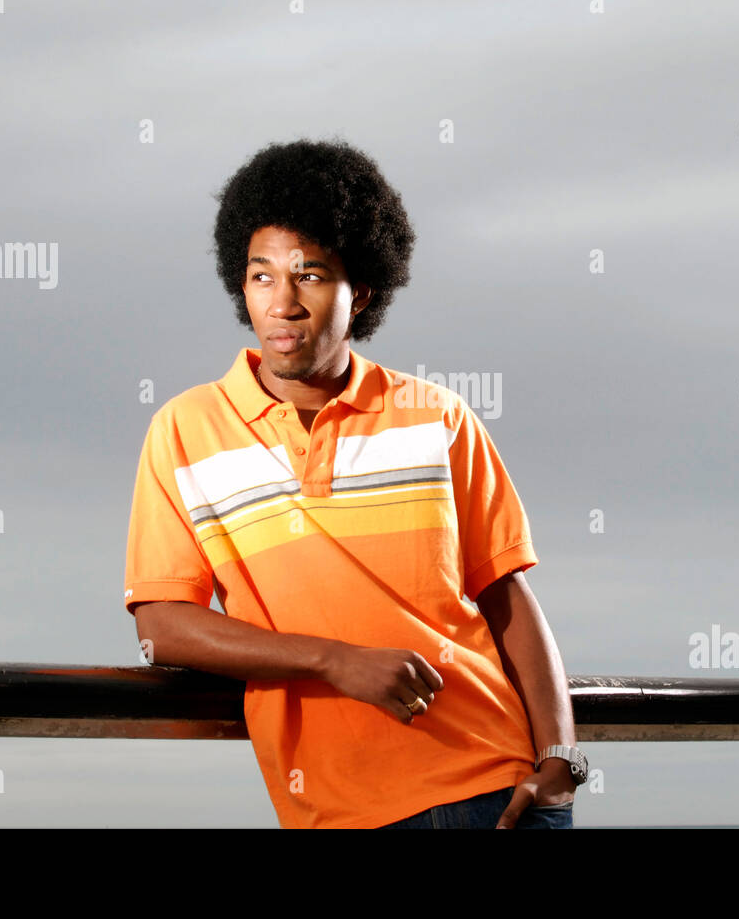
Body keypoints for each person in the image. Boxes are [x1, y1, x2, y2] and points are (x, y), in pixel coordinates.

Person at [123, 137, 587, 828]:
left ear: (359, 290)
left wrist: (560, 761)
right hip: (340, 813)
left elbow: (507, 596)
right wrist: (332, 661)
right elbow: (163, 627)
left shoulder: (439, 418)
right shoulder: (186, 429)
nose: (282, 302)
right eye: (261, 276)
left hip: (499, 791)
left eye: (309, 276)